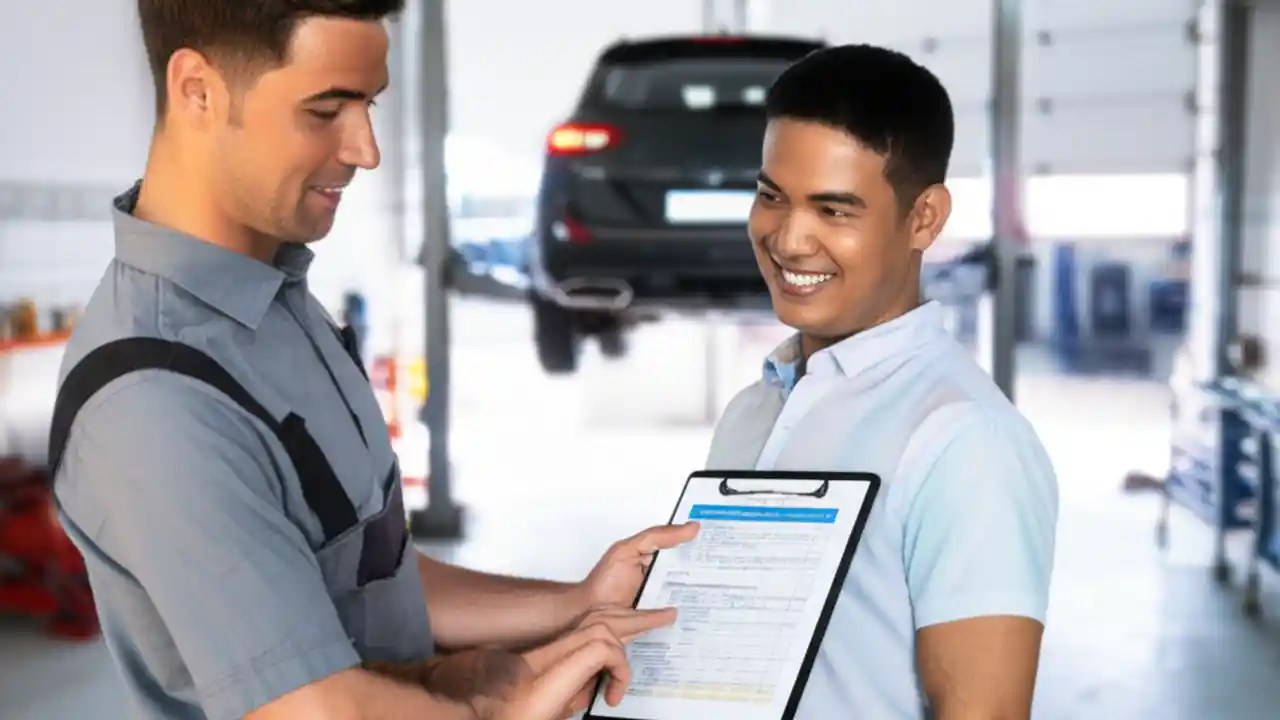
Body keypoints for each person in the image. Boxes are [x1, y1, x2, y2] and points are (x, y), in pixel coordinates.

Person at [48, 1, 698, 718]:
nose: (365, 149)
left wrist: (576, 603)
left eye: (368, 105)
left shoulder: (278, 305)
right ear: (198, 89)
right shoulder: (156, 400)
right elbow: (314, 709)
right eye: (326, 110)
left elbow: (369, 575)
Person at [706, 45, 1059, 719]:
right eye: (771, 197)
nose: (789, 240)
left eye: (834, 211)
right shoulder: (754, 409)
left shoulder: (964, 440)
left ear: (923, 218)